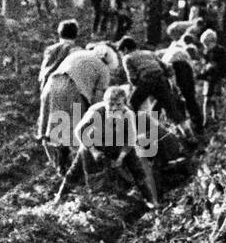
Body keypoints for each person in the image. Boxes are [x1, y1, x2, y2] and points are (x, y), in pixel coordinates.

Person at [52, 85, 160, 209]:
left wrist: (121, 158)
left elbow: (131, 140)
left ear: (124, 104)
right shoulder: (96, 112)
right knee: (78, 172)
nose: (114, 108)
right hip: (94, 144)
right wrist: (93, 151)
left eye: (118, 105)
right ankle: (60, 198)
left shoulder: (128, 115)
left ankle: (150, 200)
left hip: (118, 144)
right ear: (105, 103)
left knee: (138, 170)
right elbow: (79, 131)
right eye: (111, 104)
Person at [38, 43, 114, 172]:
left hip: (52, 86)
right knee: (76, 127)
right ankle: (77, 167)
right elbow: (98, 100)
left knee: (55, 127)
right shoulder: (103, 69)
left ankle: (60, 163)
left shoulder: (79, 54)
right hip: (73, 89)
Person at [117, 36, 186, 135]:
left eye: (121, 52)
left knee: (132, 104)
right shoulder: (148, 53)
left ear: (125, 49)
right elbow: (165, 67)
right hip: (161, 79)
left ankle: (135, 131)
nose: (122, 54)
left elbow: (132, 78)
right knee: (171, 108)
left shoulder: (127, 58)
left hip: (146, 81)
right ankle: (188, 134)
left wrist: (139, 89)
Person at [159, 39, 205, 133]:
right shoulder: (184, 53)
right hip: (181, 68)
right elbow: (191, 72)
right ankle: (198, 126)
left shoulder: (169, 52)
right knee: (190, 98)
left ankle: (183, 127)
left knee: (177, 100)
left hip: (170, 69)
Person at [39, 19, 81, 89]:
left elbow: (44, 71)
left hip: (49, 87)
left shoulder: (50, 50)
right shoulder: (79, 52)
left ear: (59, 33)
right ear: (76, 34)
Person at [199, 28, 226, 125]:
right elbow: (204, 64)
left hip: (217, 77)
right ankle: (205, 119)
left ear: (213, 42)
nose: (206, 47)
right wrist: (203, 72)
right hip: (208, 77)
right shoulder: (206, 52)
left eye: (207, 44)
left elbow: (223, 65)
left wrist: (218, 70)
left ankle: (216, 117)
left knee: (215, 97)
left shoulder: (221, 51)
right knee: (207, 97)